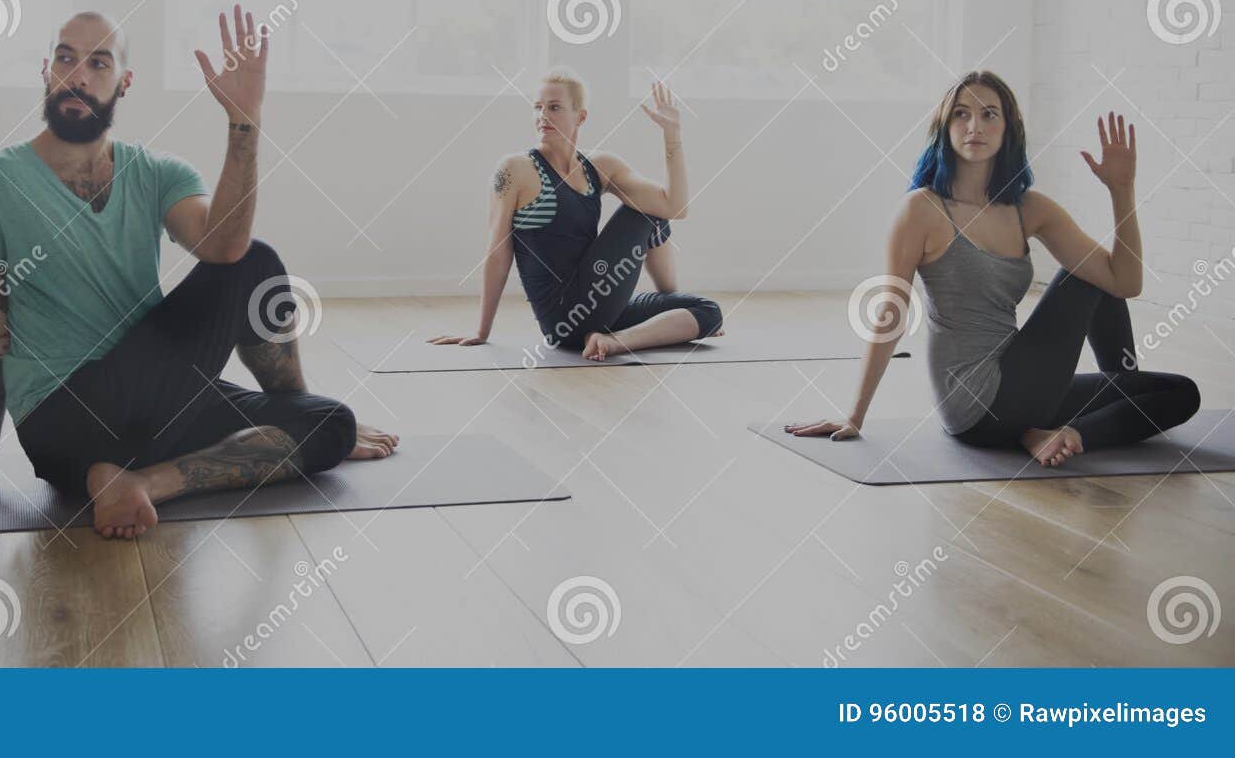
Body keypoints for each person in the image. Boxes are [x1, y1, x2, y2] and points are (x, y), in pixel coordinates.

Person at [0, 8, 398, 539]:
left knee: (331, 422)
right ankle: (116, 471)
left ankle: (142, 483)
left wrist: (245, 122)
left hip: (159, 405)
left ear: (124, 83)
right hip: (63, 418)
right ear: (46, 71)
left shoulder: (157, 173)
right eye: (65, 57)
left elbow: (225, 247)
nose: (77, 74)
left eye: (98, 62)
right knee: (255, 266)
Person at [786, 71, 1199, 466]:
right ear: (945, 128)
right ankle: (1064, 422)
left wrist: (1121, 191)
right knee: (1081, 277)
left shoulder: (1030, 209)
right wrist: (855, 414)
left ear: (1008, 127)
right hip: (974, 401)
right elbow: (890, 313)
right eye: (962, 114)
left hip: (1022, 391)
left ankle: (1062, 432)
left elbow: (1125, 283)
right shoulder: (922, 210)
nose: (974, 126)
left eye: (989, 114)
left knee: (1181, 393)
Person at [431, 68, 721, 361]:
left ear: (580, 117)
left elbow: (675, 207)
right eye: (538, 107)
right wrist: (483, 330)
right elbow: (497, 253)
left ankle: (613, 341)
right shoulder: (516, 169)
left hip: (601, 306)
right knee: (644, 214)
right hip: (563, 319)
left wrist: (672, 136)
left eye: (554, 107)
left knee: (709, 312)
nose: (543, 115)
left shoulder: (600, 166)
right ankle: (620, 335)